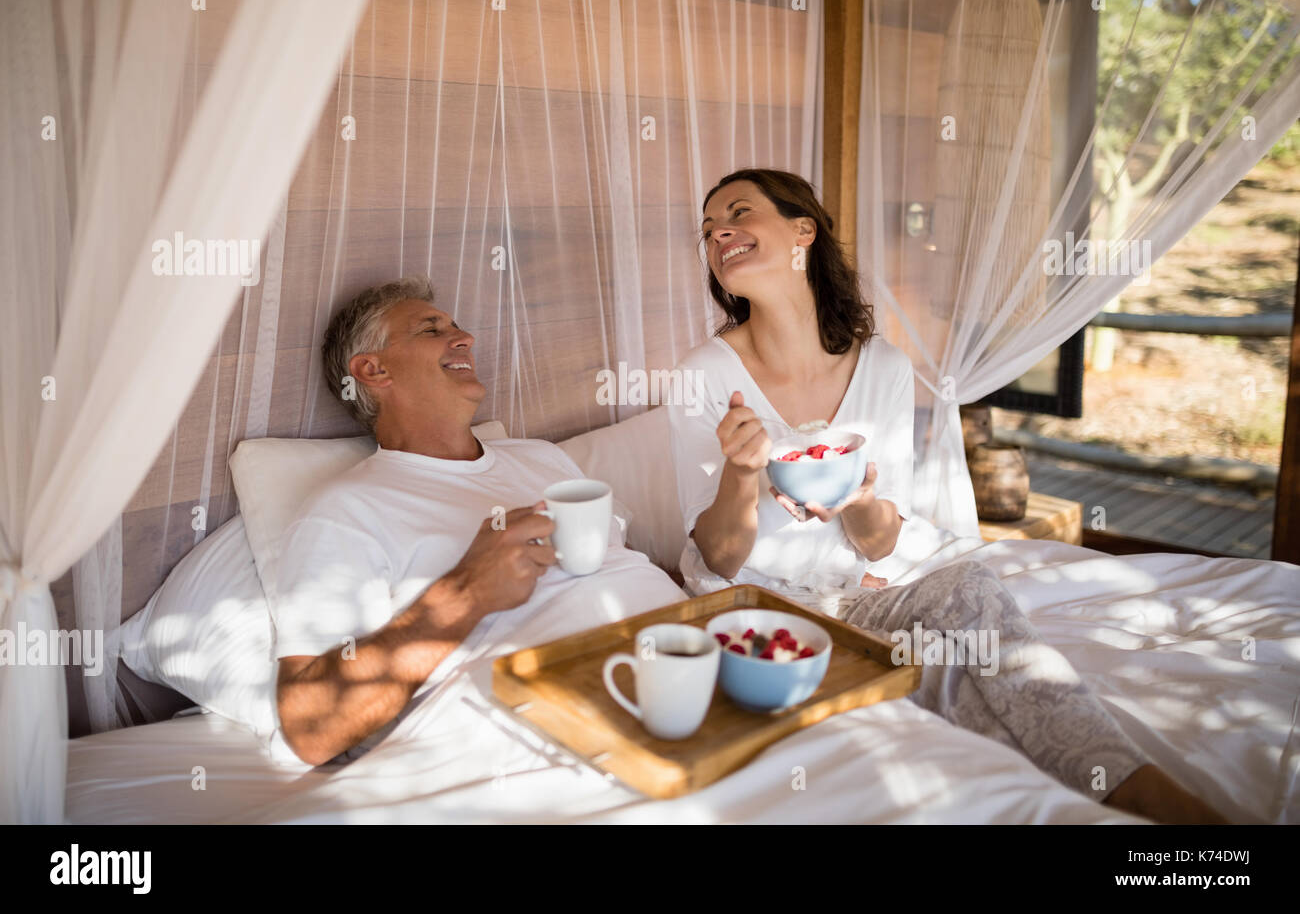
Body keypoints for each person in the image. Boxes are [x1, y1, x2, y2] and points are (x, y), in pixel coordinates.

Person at [667, 167, 1227, 824]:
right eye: (709, 230)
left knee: (970, 588)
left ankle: (1143, 794)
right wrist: (741, 473)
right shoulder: (703, 376)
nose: (719, 233)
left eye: (737, 213)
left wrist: (860, 500)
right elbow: (721, 558)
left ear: (802, 232)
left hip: (861, 599)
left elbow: (879, 542)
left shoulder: (883, 368)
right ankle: (1092, 811)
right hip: (765, 607)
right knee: (942, 681)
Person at [271, 280, 683, 767]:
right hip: (577, 725)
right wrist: (466, 593)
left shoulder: (542, 459)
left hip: (693, 666)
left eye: (459, 327)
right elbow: (310, 730)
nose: (465, 338)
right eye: (432, 330)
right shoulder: (345, 511)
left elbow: (625, 565)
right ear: (373, 369)